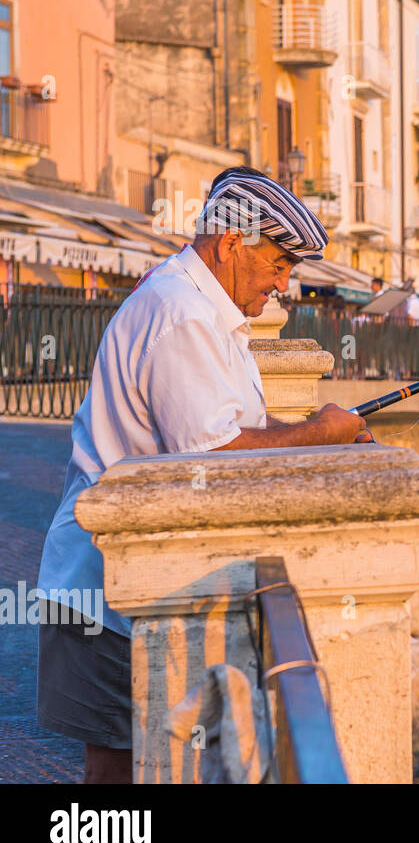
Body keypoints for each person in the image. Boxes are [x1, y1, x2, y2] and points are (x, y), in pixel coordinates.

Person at [36, 166, 369, 785]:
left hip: (123, 580)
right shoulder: (182, 314)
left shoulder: (203, 311)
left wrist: (326, 436)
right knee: (117, 771)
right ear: (232, 245)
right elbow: (212, 456)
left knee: (130, 763)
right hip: (105, 588)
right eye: (277, 264)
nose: (283, 283)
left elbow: (233, 430)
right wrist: (321, 435)